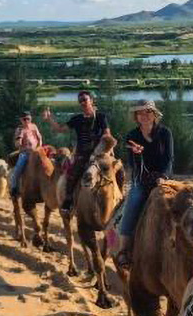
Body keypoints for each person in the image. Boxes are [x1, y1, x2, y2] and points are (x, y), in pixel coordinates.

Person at [116, 99, 173, 268]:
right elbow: (133, 165)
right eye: (140, 112)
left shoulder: (165, 133)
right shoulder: (132, 136)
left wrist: (163, 176)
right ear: (136, 117)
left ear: (154, 114)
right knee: (134, 201)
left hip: (163, 178)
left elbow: (169, 159)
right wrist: (138, 155)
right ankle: (124, 250)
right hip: (141, 178)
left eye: (148, 111)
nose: (144, 115)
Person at [43, 90, 110, 214]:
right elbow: (60, 129)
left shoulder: (101, 117)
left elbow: (107, 135)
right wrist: (49, 119)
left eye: (85, 99)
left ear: (91, 100)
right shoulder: (77, 119)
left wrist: (106, 149)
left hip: (99, 153)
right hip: (82, 154)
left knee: (116, 170)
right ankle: (68, 202)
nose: (83, 102)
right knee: (72, 174)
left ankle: (120, 197)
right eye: (80, 101)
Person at [9, 111, 43, 197]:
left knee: (48, 164)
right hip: (25, 153)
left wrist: (39, 147)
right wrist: (19, 138)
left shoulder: (34, 126)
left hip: (36, 151)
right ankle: (14, 189)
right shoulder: (19, 129)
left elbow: (39, 137)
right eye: (24, 119)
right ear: (21, 120)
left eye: (28, 119)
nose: (27, 121)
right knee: (17, 171)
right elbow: (17, 144)